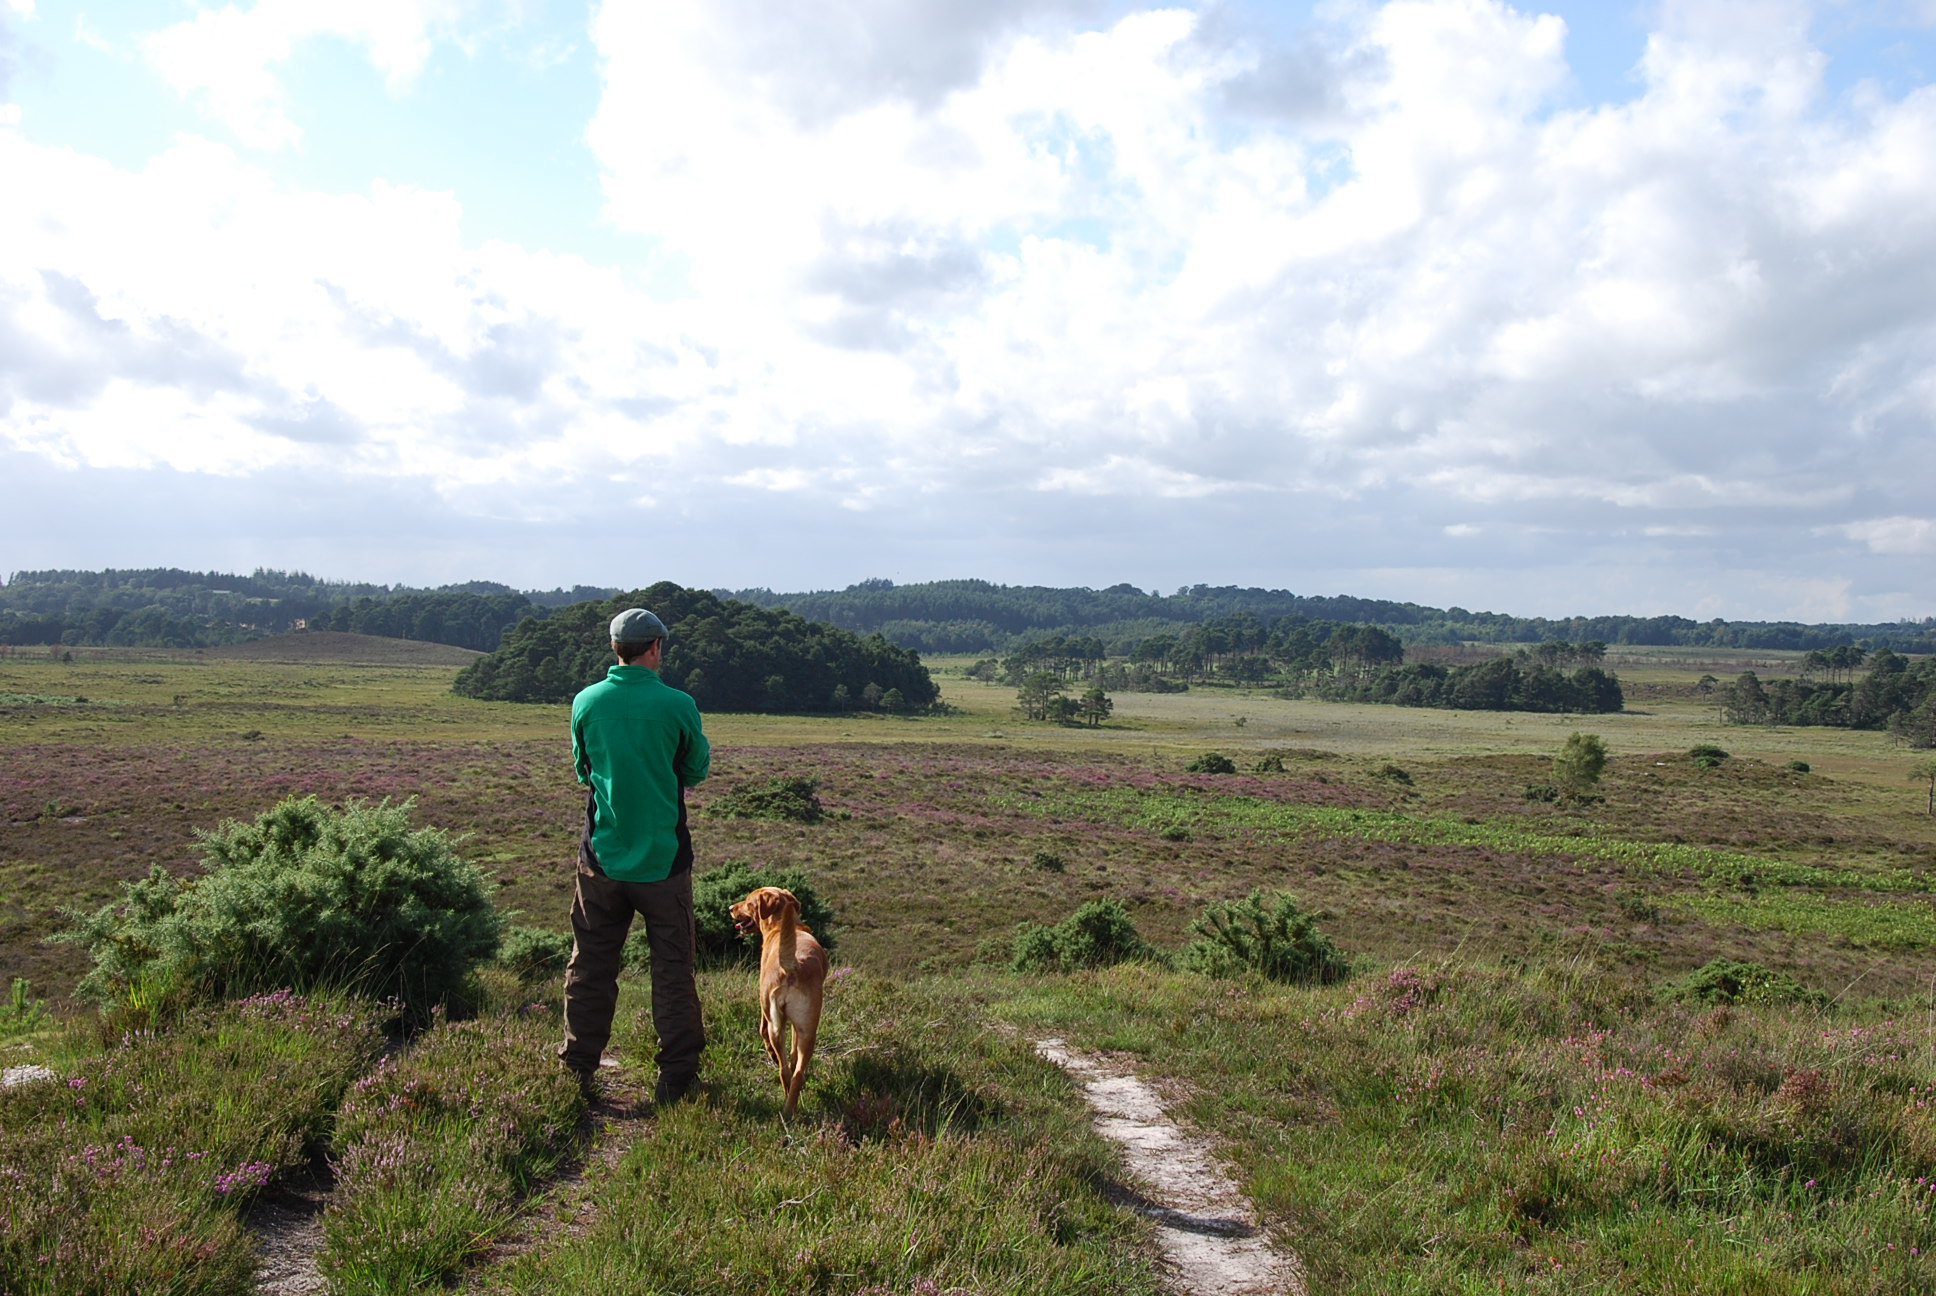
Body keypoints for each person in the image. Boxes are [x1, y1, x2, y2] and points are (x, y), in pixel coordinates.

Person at [559, 607, 711, 1103]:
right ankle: (676, 1079)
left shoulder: (586, 701)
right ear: (655, 648)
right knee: (672, 970)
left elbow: (583, 771)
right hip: (664, 862)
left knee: (590, 965)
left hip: (601, 857)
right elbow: (696, 769)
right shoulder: (678, 705)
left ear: (615, 648)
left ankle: (578, 1070)